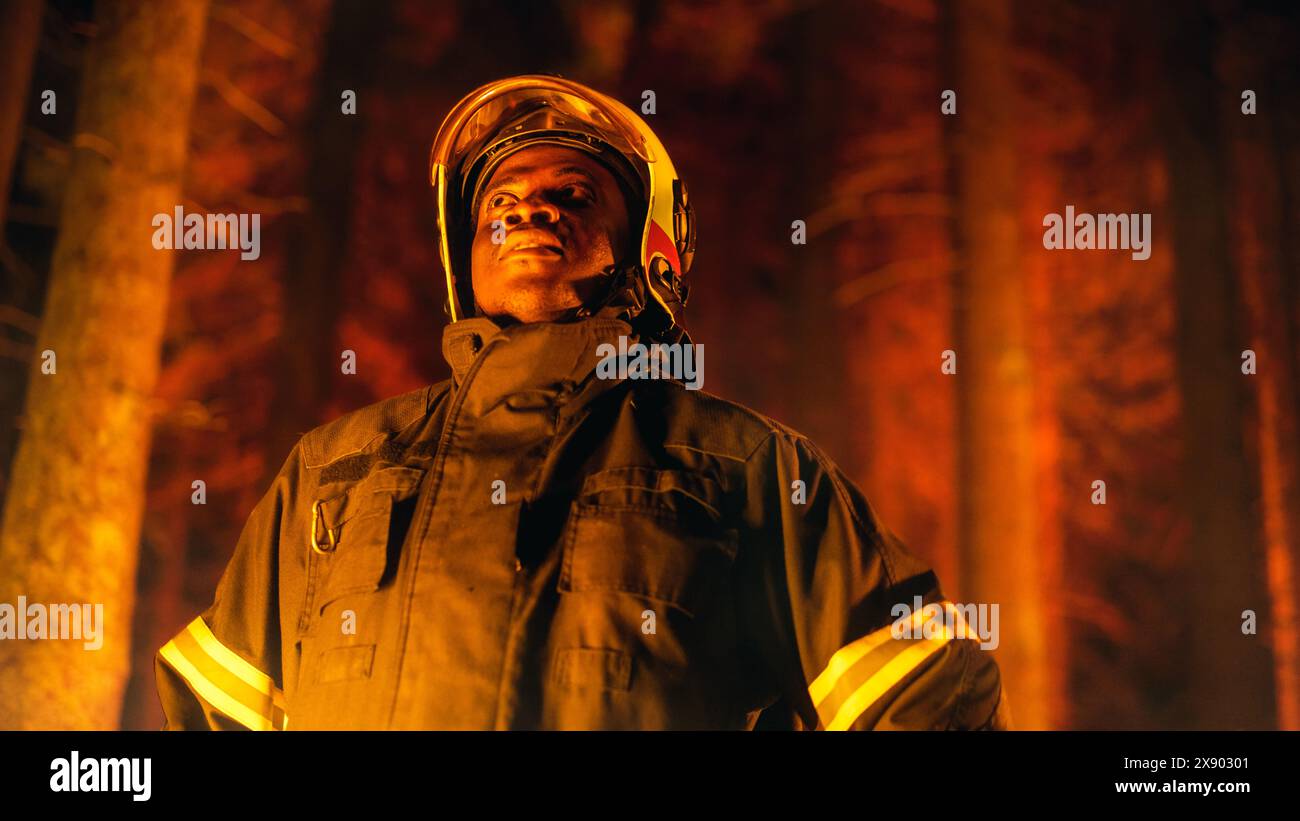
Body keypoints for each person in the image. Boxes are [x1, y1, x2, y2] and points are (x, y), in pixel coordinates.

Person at [155, 74, 1011, 730]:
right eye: (502, 200)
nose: (529, 211)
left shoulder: (744, 473)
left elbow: (932, 702)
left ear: (653, 249)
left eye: (572, 195)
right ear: (465, 250)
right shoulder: (334, 470)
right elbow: (214, 714)